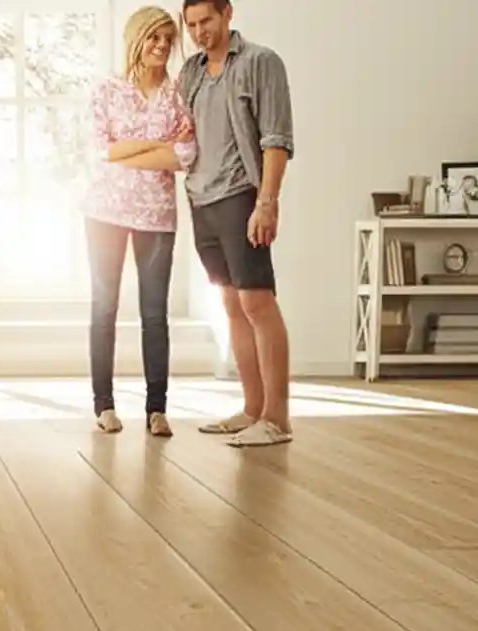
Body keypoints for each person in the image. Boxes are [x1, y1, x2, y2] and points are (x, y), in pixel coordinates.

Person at [179, 0, 294, 446]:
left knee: (257, 303)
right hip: (201, 200)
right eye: (190, 25)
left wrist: (267, 201)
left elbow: (277, 138)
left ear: (228, 13)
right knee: (230, 305)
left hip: (240, 196)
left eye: (206, 20)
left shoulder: (261, 63)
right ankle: (252, 409)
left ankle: (277, 419)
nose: (199, 32)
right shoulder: (189, 73)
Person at [81, 6, 197, 437]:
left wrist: (129, 148)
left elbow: (184, 155)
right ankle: (104, 405)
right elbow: (101, 150)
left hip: (157, 216)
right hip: (105, 212)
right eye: (154, 38)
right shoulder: (107, 90)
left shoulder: (177, 94)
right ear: (136, 39)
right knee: (104, 308)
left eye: (168, 39)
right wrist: (154, 144)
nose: (162, 46)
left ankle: (156, 408)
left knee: (154, 313)